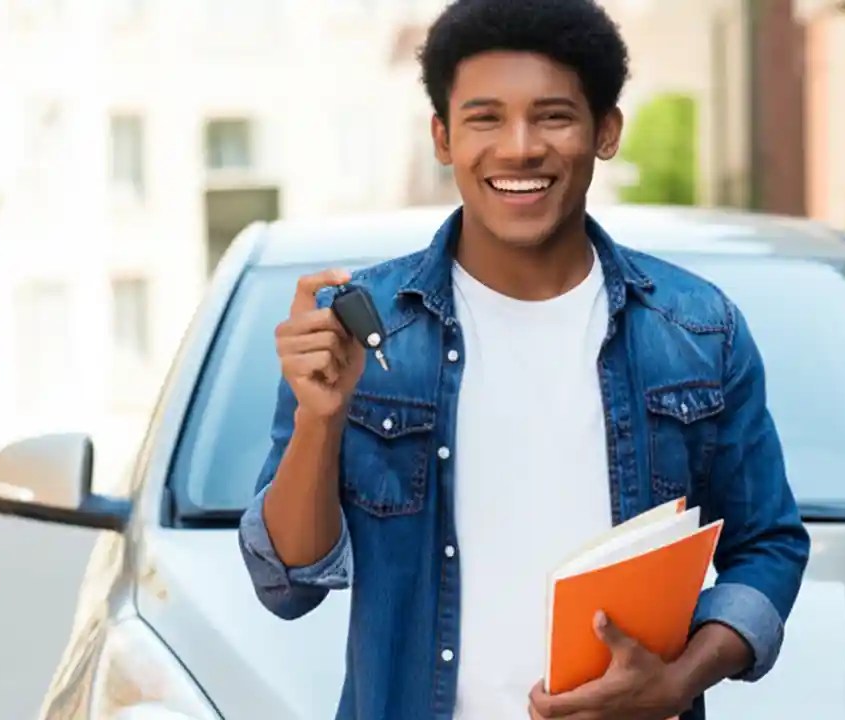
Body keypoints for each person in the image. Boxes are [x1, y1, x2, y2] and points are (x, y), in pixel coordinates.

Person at [238, 0, 811, 718]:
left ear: (605, 132)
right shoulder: (363, 327)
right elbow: (287, 585)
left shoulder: (698, 329)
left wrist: (680, 677)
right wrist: (321, 421)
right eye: (484, 118)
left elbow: (769, 546)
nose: (518, 148)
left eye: (553, 116)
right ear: (443, 138)